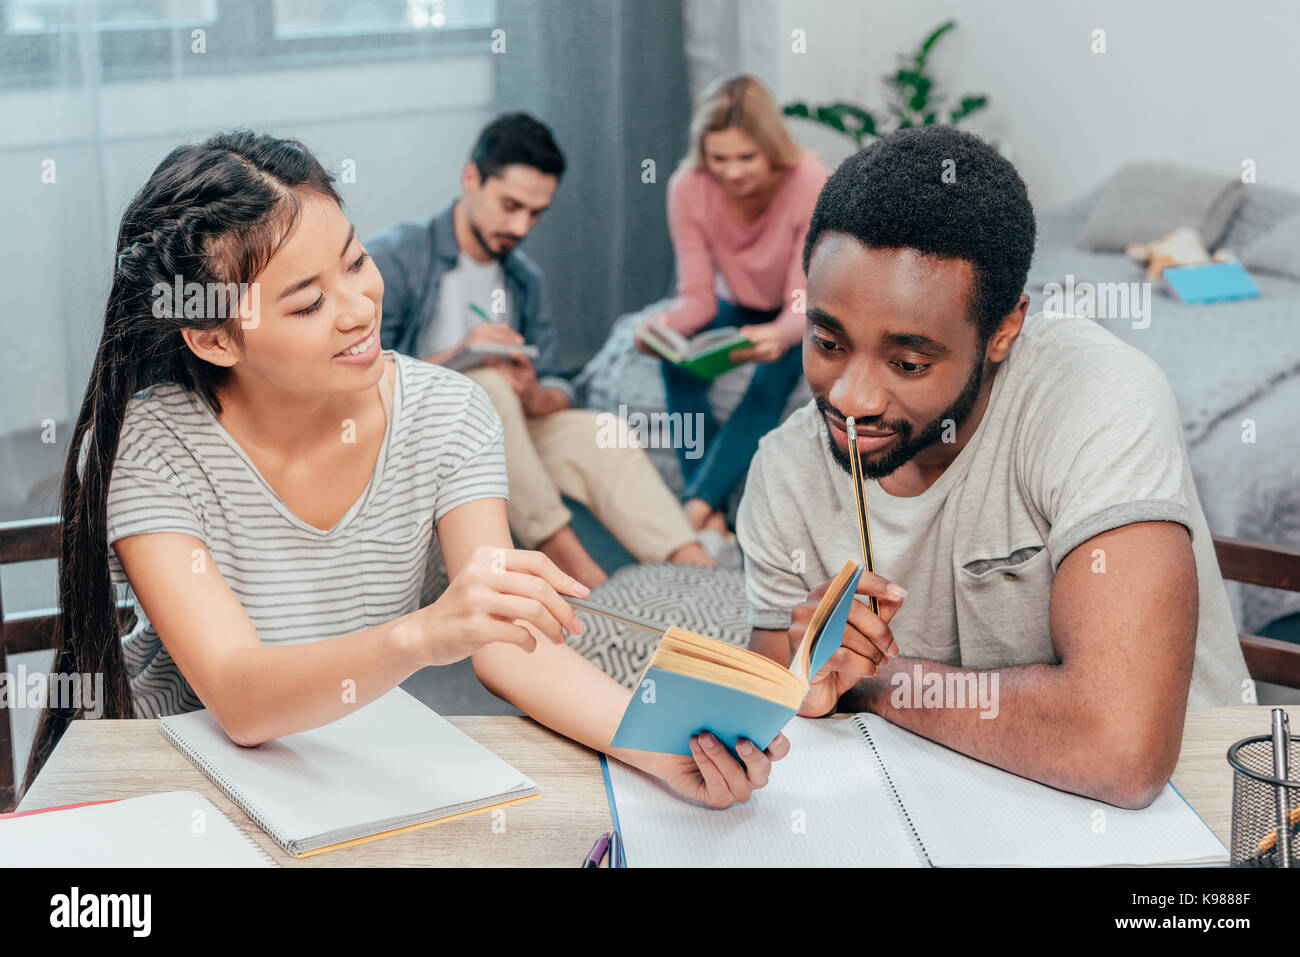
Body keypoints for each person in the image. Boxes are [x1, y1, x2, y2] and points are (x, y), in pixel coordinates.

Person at [23, 130, 786, 809]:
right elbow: (240, 696)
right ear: (215, 338)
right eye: (307, 302)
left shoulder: (446, 416)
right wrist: (421, 633)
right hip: (169, 777)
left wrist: (658, 751)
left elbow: (505, 643)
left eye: (356, 260)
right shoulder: (153, 445)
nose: (358, 306)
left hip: (340, 773)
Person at [735, 125, 1251, 810]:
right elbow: (776, 702)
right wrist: (809, 677)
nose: (851, 399)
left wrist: (875, 682)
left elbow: (1121, 748)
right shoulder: (785, 468)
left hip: (1193, 824)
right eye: (827, 340)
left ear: (1005, 329)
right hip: (944, 806)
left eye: (908, 362)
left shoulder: (1098, 395)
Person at [368, 113, 712, 588]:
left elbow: (556, 383)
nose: (521, 225)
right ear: (472, 178)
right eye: (510, 205)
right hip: (419, 435)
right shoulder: (398, 257)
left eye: (535, 213)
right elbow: (360, 374)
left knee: (600, 434)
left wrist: (533, 393)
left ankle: (703, 572)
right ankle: (578, 572)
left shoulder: (524, 279)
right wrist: (461, 354)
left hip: (510, 428)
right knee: (485, 385)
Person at [637, 74, 828, 537]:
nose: (732, 172)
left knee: (774, 373)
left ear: (772, 148)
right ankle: (714, 514)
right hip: (736, 303)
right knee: (677, 363)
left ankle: (697, 505)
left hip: (797, 309)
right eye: (719, 158)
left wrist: (777, 336)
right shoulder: (688, 185)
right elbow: (698, 298)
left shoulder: (809, 180)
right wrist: (660, 327)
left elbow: (798, 301)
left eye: (746, 157)